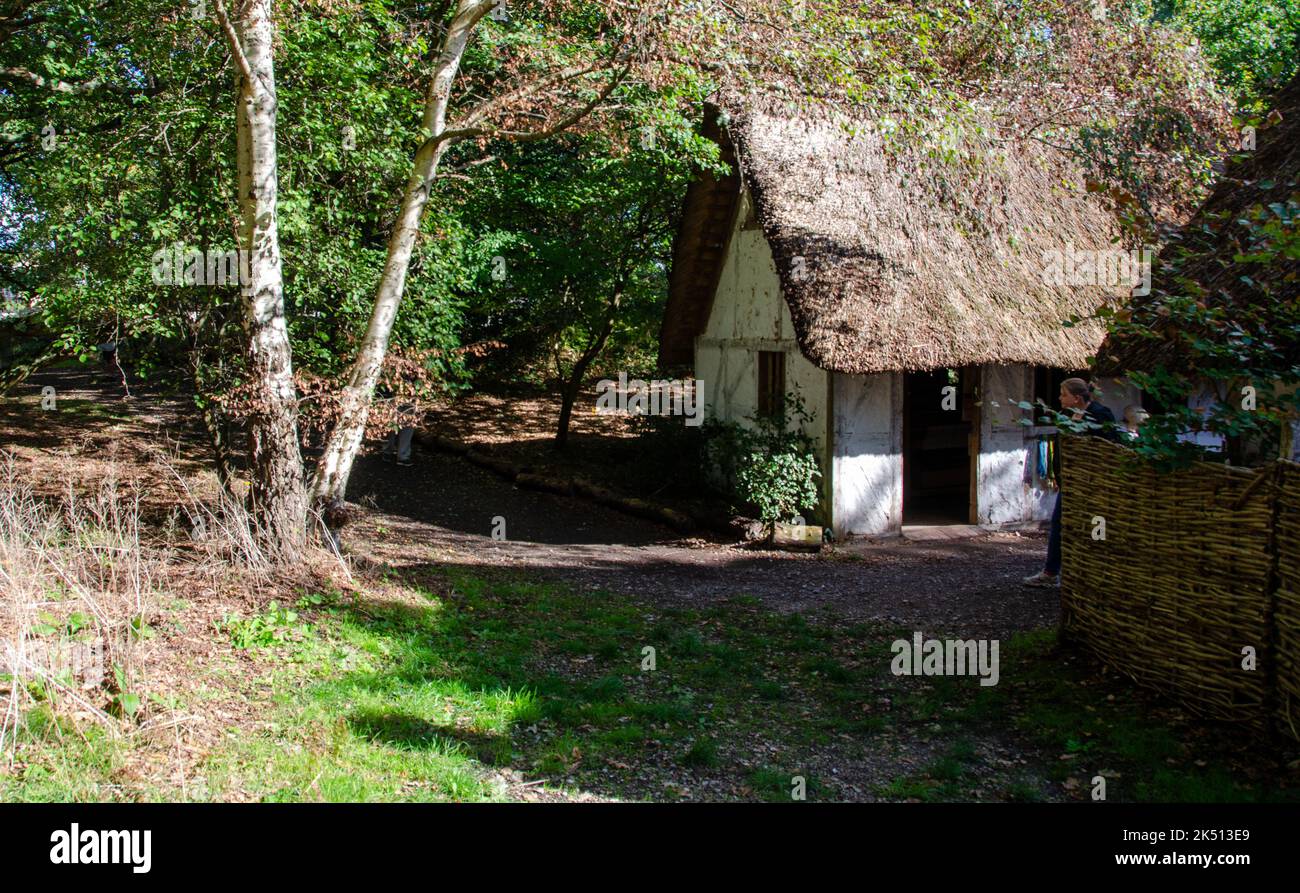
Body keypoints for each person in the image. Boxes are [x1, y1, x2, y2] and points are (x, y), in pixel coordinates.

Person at [1023, 378, 1118, 588]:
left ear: (1076, 398)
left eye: (1063, 394)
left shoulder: (1100, 415)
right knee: (1059, 524)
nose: (1059, 398)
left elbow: (1108, 448)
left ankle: (1098, 571)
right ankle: (1051, 572)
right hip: (1070, 481)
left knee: (1096, 525)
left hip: (1092, 483)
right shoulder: (1067, 416)